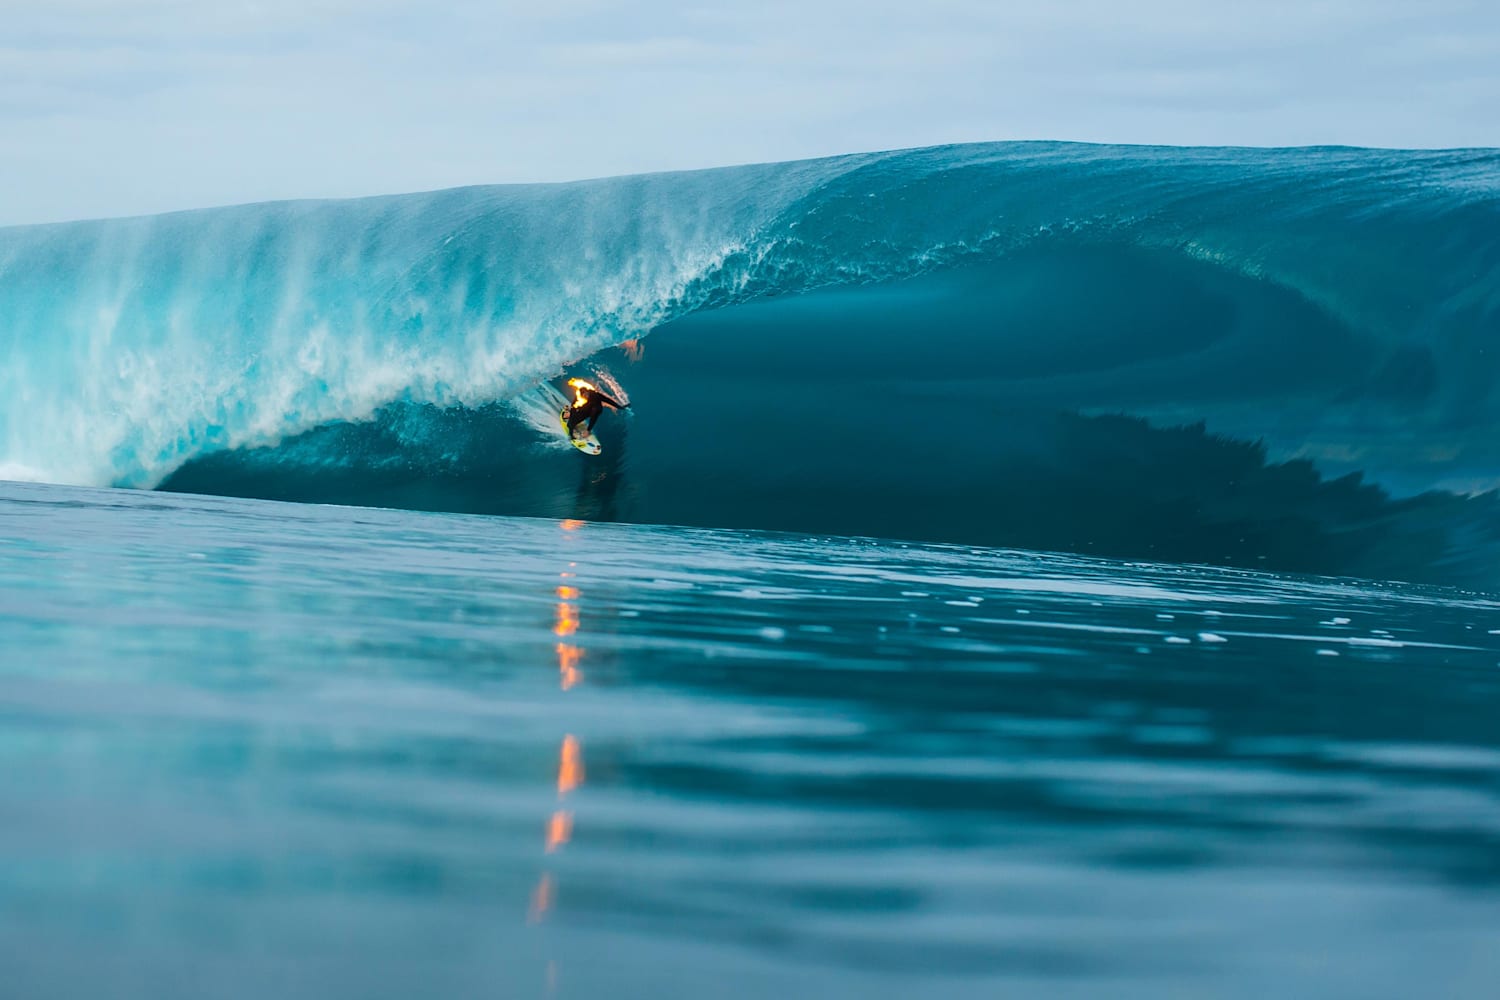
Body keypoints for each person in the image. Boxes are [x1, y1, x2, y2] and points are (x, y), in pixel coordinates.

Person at [563, 377, 628, 438]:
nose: (585, 397)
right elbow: (575, 401)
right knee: (572, 421)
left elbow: (608, 400)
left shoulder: (596, 396)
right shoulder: (582, 392)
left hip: (595, 410)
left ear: (587, 392)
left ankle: (588, 431)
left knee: (578, 419)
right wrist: (571, 410)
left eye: (585, 395)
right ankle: (570, 416)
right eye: (583, 396)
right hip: (587, 406)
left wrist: (620, 407)